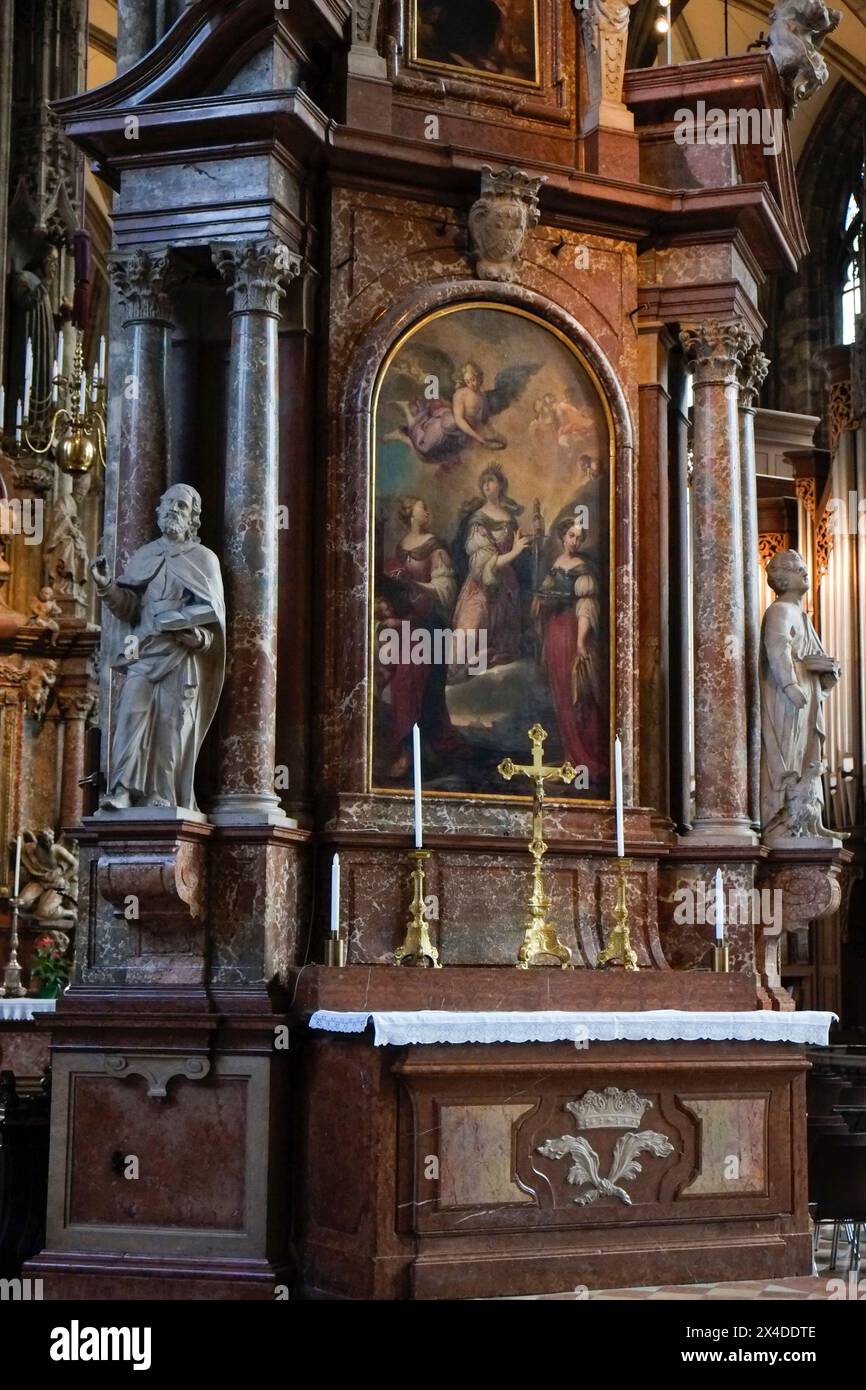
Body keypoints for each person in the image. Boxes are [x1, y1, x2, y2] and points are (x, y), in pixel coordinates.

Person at [90, 484, 225, 812]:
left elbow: (214, 614)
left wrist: (187, 627)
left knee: (171, 729)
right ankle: (122, 789)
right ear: (157, 511)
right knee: (129, 718)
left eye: (181, 506)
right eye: (167, 504)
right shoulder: (144, 555)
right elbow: (128, 609)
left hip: (179, 656)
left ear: (192, 517)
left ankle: (162, 797)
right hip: (143, 651)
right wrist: (107, 586)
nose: (172, 511)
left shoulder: (203, 559)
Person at [378, 497, 464, 777]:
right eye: (420, 506)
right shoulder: (400, 548)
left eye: (425, 506)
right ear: (409, 514)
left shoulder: (436, 548)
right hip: (405, 625)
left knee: (428, 688)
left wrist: (412, 583)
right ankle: (407, 748)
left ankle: (426, 746)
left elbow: (446, 590)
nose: (426, 508)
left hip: (431, 626)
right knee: (402, 684)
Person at [760, 548, 841, 840]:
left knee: (808, 757)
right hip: (786, 696)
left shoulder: (803, 616)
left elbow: (810, 656)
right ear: (781, 579)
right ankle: (783, 820)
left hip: (806, 694)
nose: (805, 571)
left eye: (803, 567)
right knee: (788, 756)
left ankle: (808, 820)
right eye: (797, 568)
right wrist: (791, 685)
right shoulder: (780, 610)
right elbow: (777, 648)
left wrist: (827, 670)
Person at [533, 517, 607, 781]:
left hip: (572, 632)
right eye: (571, 536)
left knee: (578, 694)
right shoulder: (556, 564)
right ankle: (571, 755)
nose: (575, 542)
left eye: (579, 537)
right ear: (563, 537)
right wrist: (541, 600)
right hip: (555, 632)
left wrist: (580, 641)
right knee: (561, 694)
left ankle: (587, 757)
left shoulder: (584, 569)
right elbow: (546, 595)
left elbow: (586, 609)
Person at [449, 465, 528, 682]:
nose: (486, 484)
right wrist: (515, 551)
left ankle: (484, 664)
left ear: (501, 485)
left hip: (506, 586)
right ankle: (455, 674)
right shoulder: (477, 520)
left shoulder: (510, 519)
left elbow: (518, 556)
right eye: (483, 480)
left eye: (491, 480)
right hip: (480, 582)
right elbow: (483, 563)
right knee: (469, 630)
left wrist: (520, 550)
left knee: (501, 642)